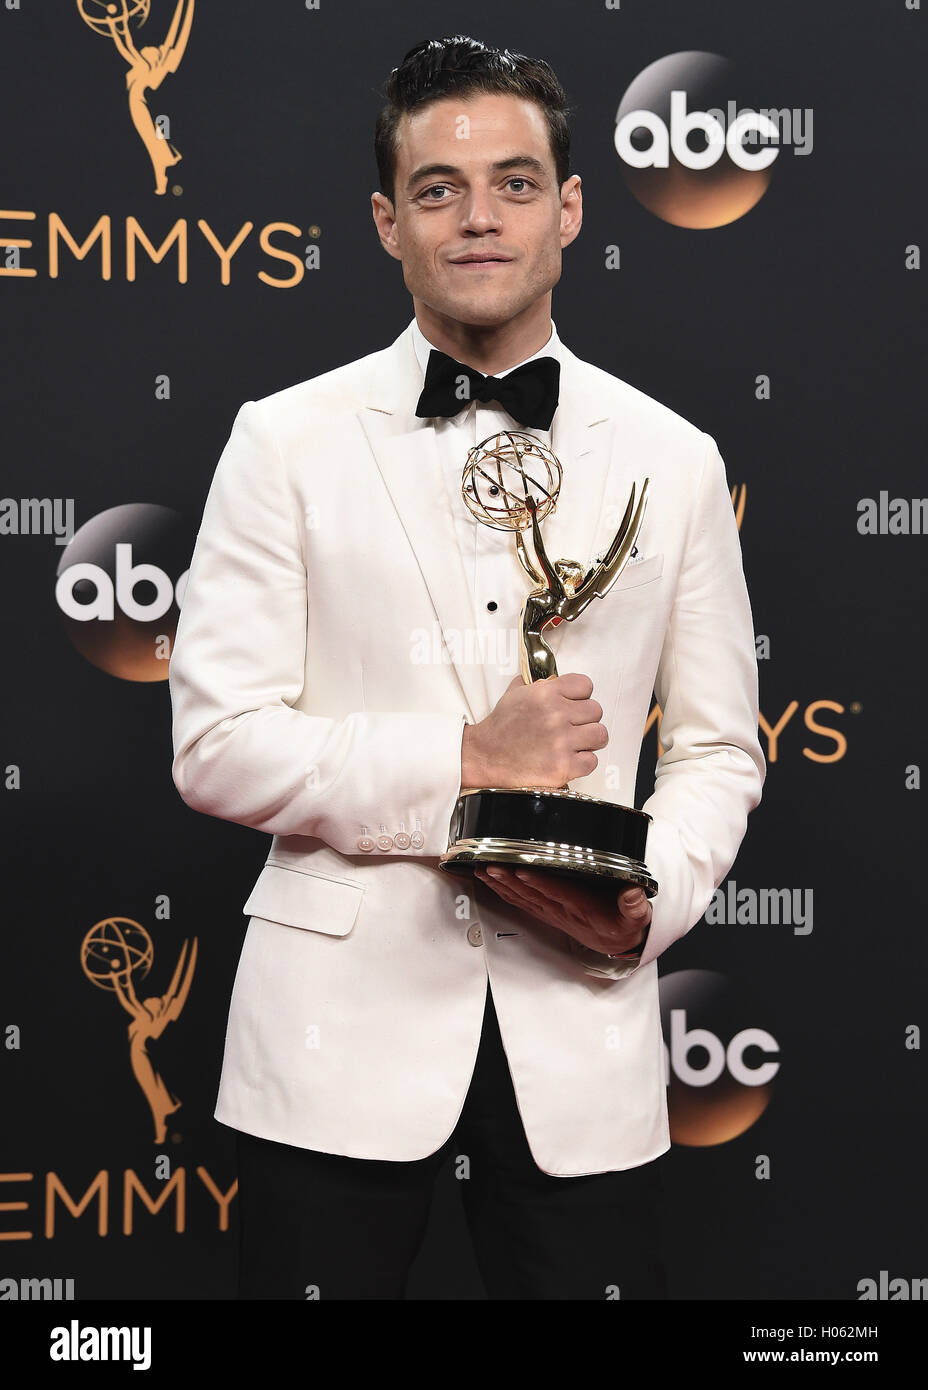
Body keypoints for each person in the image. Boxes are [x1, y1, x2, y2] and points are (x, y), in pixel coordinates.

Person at [168, 34, 765, 1300]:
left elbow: (717, 745)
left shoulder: (676, 457)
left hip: (583, 1029)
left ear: (570, 210)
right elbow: (217, 741)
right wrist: (464, 763)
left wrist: (643, 895)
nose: (477, 217)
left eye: (513, 182)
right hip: (334, 1041)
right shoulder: (283, 442)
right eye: (438, 190)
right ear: (388, 221)